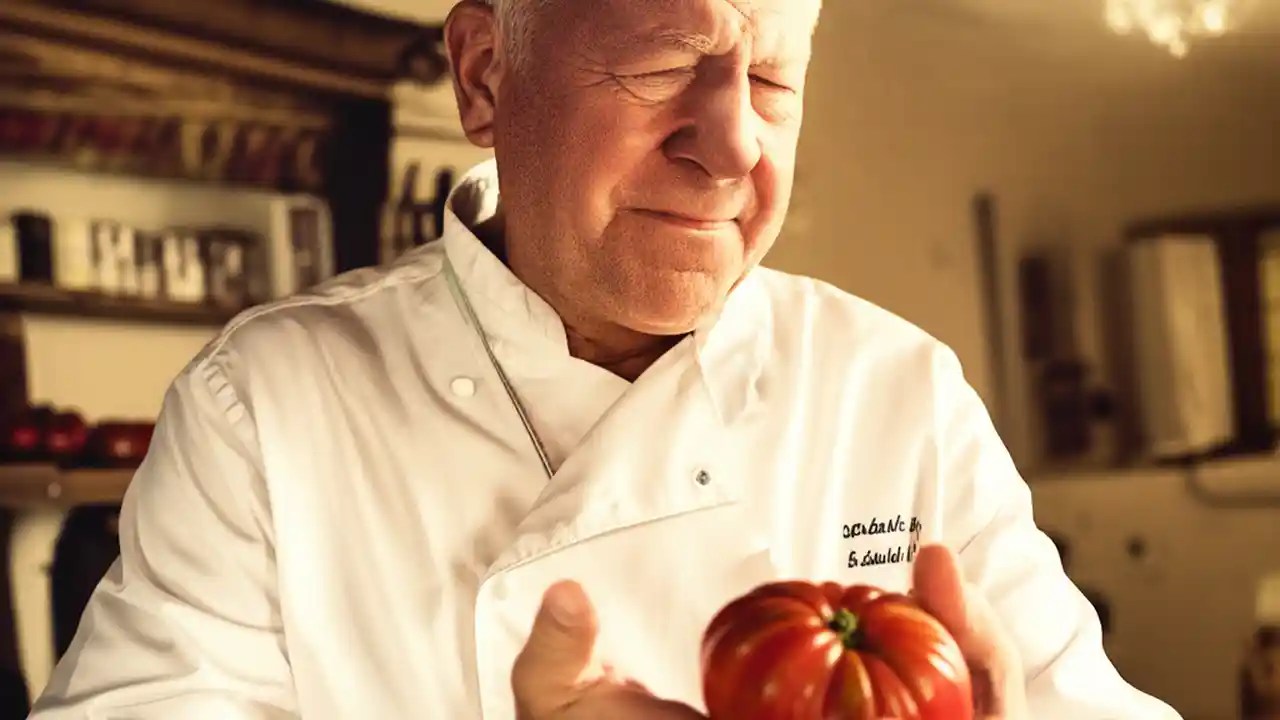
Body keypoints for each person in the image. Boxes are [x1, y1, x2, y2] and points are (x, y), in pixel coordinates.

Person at [30, 0, 1181, 718]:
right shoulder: (264, 407)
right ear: (485, 75)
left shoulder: (891, 389)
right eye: (660, 62)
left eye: (771, 81)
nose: (732, 145)